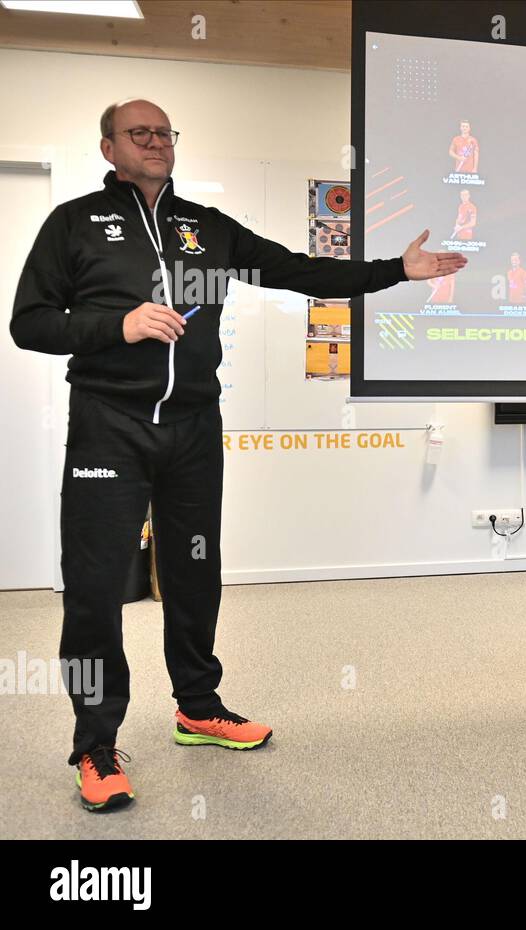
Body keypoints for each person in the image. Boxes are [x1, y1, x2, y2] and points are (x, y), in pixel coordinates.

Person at [9, 98, 466, 812]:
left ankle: (198, 707)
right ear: (109, 148)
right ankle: (95, 745)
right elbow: (29, 323)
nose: (157, 142)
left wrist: (394, 272)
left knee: (196, 573)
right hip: (109, 427)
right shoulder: (73, 224)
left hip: (193, 430)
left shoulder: (207, 229)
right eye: (141, 133)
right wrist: (118, 324)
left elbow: (299, 271)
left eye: (165, 132)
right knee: (96, 591)